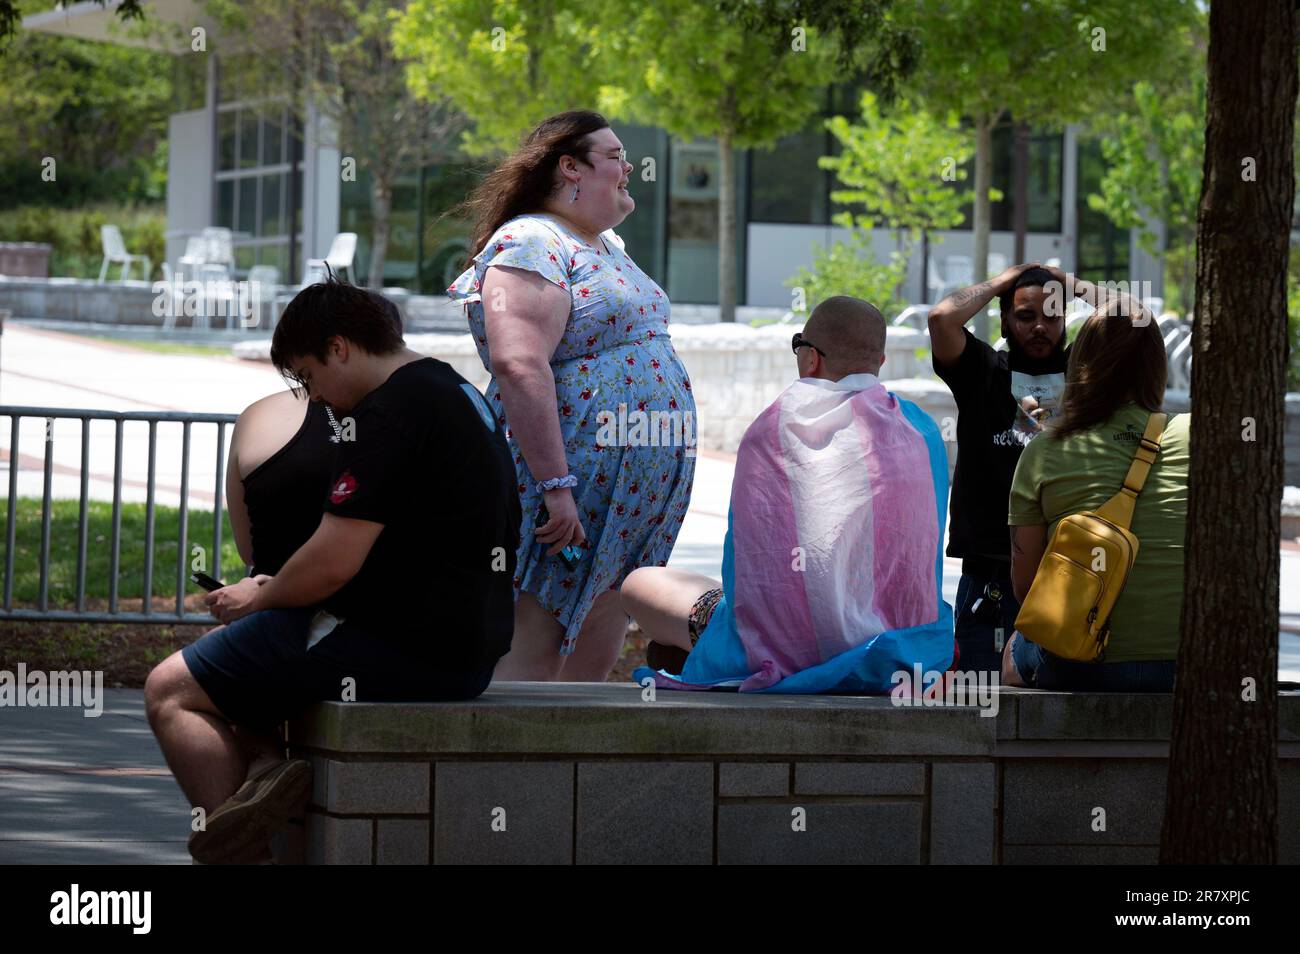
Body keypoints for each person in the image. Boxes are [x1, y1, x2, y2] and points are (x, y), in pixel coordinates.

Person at [144, 278, 520, 863]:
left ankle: (244, 854)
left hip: (401, 646)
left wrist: (257, 598)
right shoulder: (454, 391)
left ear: (339, 347)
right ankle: (264, 770)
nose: (314, 397)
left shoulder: (388, 414)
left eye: (308, 376)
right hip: (466, 646)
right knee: (252, 650)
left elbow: (333, 560)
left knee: (171, 690)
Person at [446, 109, 695, 681]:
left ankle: (572, 765)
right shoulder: (531, 239)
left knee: (594, 640)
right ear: (569, 168)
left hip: (627, 497)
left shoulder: (606, 243)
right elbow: (518, 360)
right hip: (570, 490)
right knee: (539, 639)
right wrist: (556, 485)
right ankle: (518, 766)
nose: (629, 167)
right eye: (613, 156)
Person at [621, 296, 952, 693]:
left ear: (810, 358)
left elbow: (749, 568)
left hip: (780, 652)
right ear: (879, 364)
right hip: (903, 652)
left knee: (639, 584)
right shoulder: (923, 431)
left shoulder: (777, 426)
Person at [1003, 292, 1185, 691]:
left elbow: (1027, 588)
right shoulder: (1196, 437)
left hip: (1077, 664)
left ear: (1080, 364)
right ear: (1158, 366)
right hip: (1185, 666)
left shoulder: (1046, 449)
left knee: (1015, 643)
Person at [928, 263, 1073, 675]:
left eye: (1052, 315)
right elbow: (941, 319)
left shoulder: (1085, 372)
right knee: (981, 707)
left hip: (1069, 570)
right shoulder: (982, 370)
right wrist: (1004, 282)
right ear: (1006, 321)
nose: (1040, 327)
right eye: (1026, 316)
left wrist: (1070, 285)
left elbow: (1134, 322)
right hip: (989, 576)